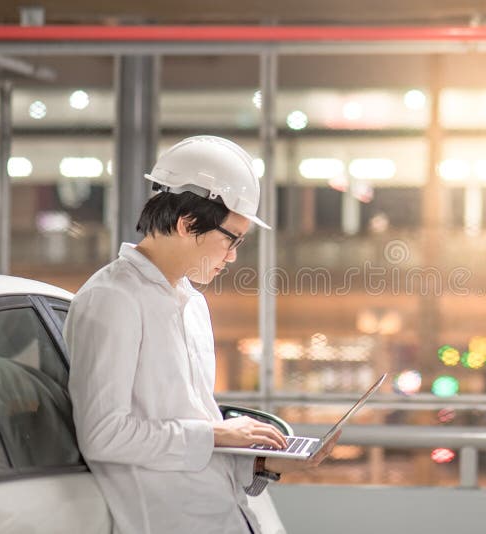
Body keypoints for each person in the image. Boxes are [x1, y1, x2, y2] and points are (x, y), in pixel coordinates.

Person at [64, 135, 338, 534]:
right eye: (232, 240)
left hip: (223, 514)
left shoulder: (191, 303)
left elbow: (191, 434)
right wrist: (219, 433)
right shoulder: (113, 299)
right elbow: (104, 435)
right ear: (186, 223)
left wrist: (259, 461)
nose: (233, 256)